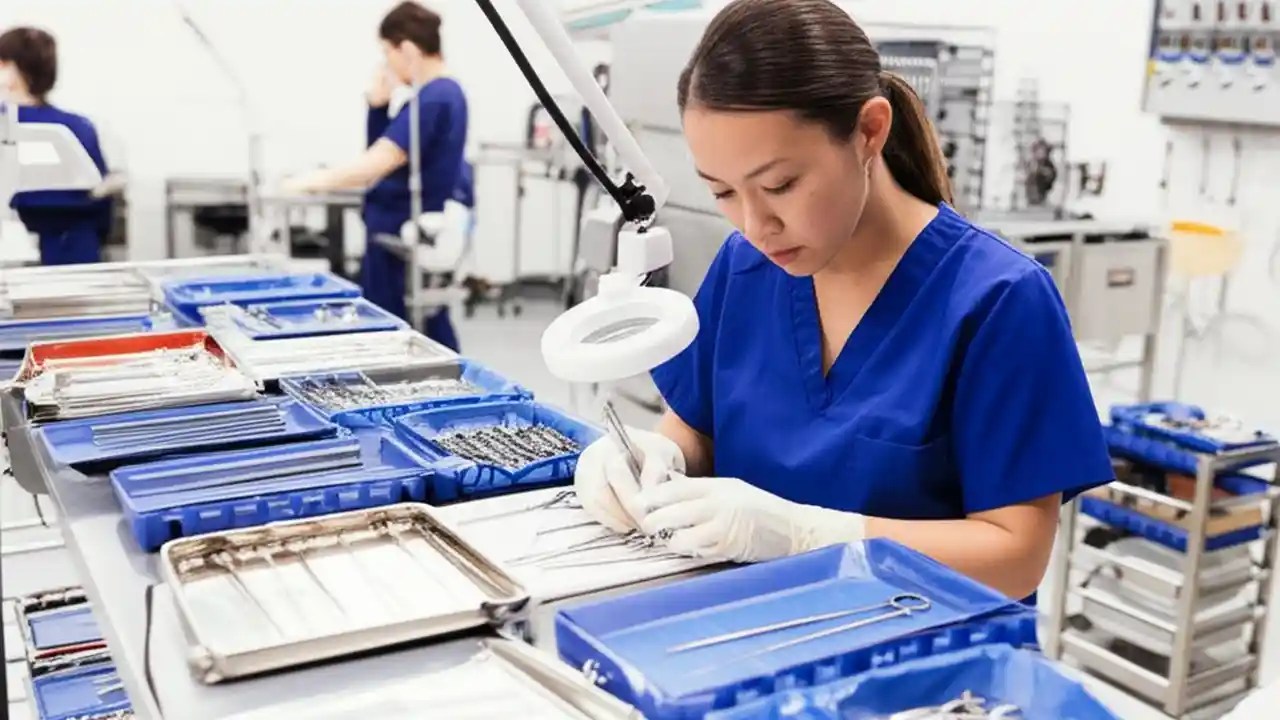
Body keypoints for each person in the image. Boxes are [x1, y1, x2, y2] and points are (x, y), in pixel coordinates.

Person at [573, 0, 1113, 601]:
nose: (756, 224)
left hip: (921, 663)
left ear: (869, 132)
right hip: (748, 631)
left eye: (780, 185)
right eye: (724, 191)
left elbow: (1015, 556)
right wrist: (655, 455)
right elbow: (698, 425)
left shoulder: (998, 301)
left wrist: (812, 535)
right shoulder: (745, 266)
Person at [284, 1, 467, 352]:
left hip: (400, 235)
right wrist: (378, 106)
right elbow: (384, 155)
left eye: (387, 52)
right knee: (424, 329)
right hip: (392, 233)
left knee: (398, 334)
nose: (386, 64)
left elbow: (377, 163)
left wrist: (312, 181)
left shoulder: (436, 97)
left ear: (408, 50)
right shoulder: (430, 98)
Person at [1, 26, 112, 265]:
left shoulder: (73, 128)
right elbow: (99, 202)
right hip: (72, 258)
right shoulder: (78, 127)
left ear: (11, 70)